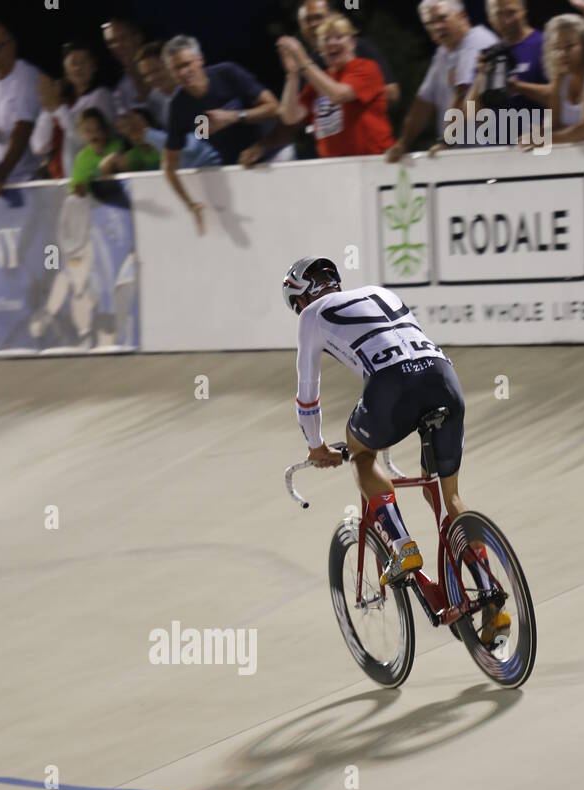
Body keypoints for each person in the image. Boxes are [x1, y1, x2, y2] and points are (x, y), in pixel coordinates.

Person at [283, 256, 509, 647]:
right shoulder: (378, 291)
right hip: (444, 378)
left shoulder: (311, 315)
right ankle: (492, 596)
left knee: (362, 454)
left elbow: (307, 393)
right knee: (446, 494)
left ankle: (403, 546)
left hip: (392, 389)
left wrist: (316, 445)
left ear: (303, 297)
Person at [161, 35, 280, 231]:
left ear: (200, 59)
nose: (184, 72)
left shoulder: (227, 73)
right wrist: (190, 204)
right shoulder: (179, 106)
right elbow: (169, 165)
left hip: (273, 155)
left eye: (187, 64)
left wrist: (234, 116)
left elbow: (273, 107)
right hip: (236, 171)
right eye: (176, 68)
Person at [386, 0, 497, 158]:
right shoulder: (442, 53)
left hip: (486, 153)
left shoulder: (478, 42)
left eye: (442, 18)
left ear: (462, 15)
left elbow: (464, 100)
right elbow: (422, 104)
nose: (436, 27)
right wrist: (403, 143)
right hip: (462, 155)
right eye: (429, 24)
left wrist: (445, 142)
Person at [278, 16, 393, 156]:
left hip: (373, 161)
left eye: (339, 37)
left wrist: (303, 60)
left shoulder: (366, 68)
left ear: (352, 43)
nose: (332, 43)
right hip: (335, 168)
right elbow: (290, 116)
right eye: (326, 40)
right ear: (320, 50)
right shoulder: (320, 80)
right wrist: (292, 75)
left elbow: (339, 95)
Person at [0, 20, 42, 197]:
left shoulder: (27, 76)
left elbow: (23, 130)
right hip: (7, 182)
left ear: (11, 45)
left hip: (35, 179)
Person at [31, 40, 116, 177]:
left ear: (94, 66)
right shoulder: (60, 100)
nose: (78, 68)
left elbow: (86, 140)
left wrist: (58, 108)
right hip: (57, 182)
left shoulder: (101, 96)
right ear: (66, 70)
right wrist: (48, 108)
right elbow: (39, 146)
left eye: (83, 62)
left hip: (88, 179)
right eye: (73, 63)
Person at [468, 0, 548, 140]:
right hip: (498, 150)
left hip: (536, 145)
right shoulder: (490, 54)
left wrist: (519, 87)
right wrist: (481, 76)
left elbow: (561, 98)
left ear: (523, 10)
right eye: (498, 14)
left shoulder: (544, 45)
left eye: (511, 12)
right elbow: (472, 115)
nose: (506, 20)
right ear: (490, 17)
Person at [297, 0, 400, 107]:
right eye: (309, 20)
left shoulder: (363, 52)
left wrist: (358, 92)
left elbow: (393, 93)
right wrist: (291, 75)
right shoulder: (310, 64)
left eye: (318, 17)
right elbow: (296, 113)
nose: (313, 24)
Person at [69, 109, 123, 194]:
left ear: (105, 130)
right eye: (88, 131)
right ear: (81, 133)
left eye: (97, 129)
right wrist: (78, 189)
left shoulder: (118, 146)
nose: (94, 134)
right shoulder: (81, 158)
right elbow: (79, 189)